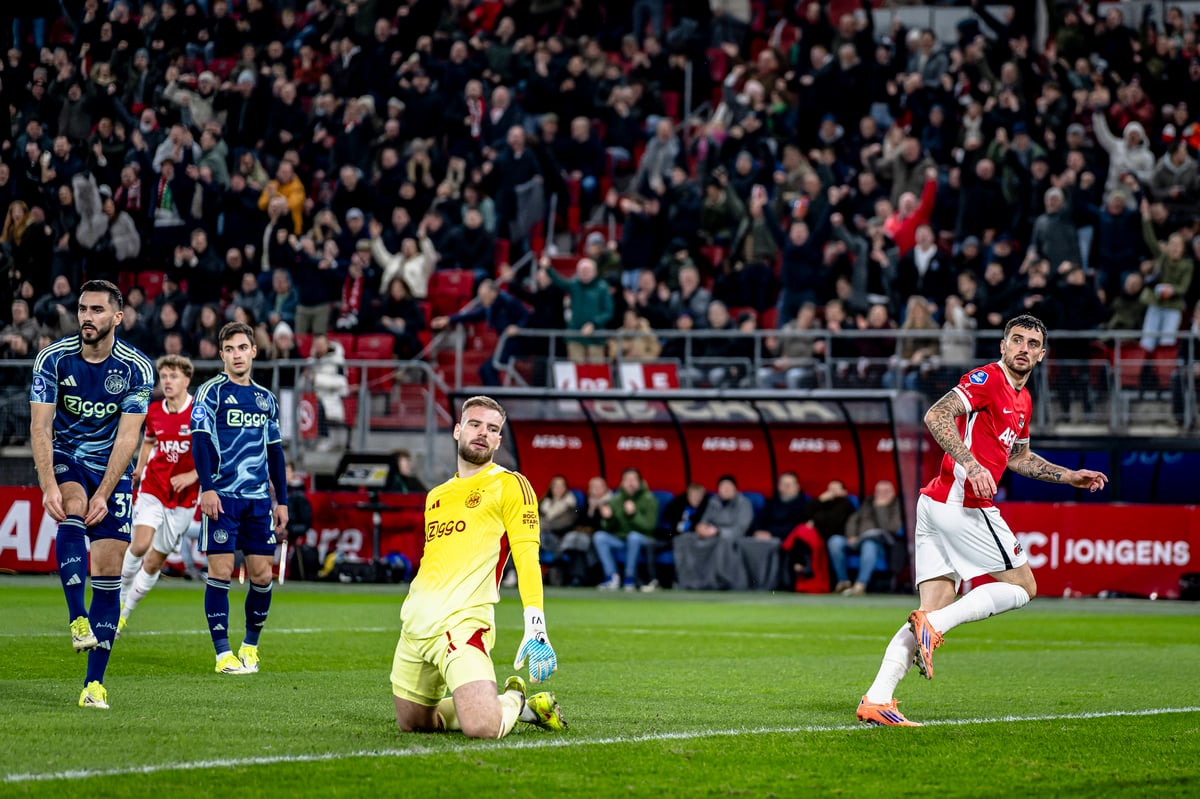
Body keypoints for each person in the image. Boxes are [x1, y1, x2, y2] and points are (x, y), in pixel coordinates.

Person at [856, 315, 1108, 726]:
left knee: (930, 608)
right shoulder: (988, 379)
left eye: (1032, 343)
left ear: (1042, 355)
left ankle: (878, 698)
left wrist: (1067, 476)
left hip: (936, 505)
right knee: (1025, 587)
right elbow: (936, 415)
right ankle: (933, 626)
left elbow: (1019, 458)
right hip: (962, 502)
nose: (1024, 348)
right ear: (1003, 346)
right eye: (1017, 340)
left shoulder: (1023, 401)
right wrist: (971, 464)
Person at [392, 396, 565, 738]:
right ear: (458, 430)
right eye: (474, 424)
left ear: (499, 440)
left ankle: (514, 698)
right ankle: (522, 708)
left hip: (463, 627)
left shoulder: (511, 485)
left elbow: (527, 556)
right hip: (415, 627)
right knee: (414, 724)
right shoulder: (436, 496)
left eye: (493, 429)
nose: (483, 433)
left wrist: (536, 625)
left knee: (483, 728)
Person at [30, 279, 155, 709]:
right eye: (83, 309)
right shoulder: (53, 359)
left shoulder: (137, 368)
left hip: (111, 468)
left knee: (108, 572)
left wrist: (107, 491)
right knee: (74, 508)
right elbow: (40, 426)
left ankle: (93, 686)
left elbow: (128, 439)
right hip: (67, 456)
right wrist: (48, 484)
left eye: (98, 310)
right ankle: (75, 617)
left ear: (117, 317)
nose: (87, 316)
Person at [190, 322, 290, 676]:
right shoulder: (210, 393)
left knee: (262, 575)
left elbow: (275, 452)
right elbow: (200, 442)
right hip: (222, 498)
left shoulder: (266, 399)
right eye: (230, 349)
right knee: (220, 572)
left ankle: (250, 645)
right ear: (222, 355)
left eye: (242, 348)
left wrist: (282, 501)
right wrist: (207, 487)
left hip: (259, 501)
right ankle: (222, 654)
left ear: (253, 351)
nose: (236, 354)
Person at [118, 355, 200, 634]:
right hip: (154, 486)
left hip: (185, 498)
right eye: (164, 376)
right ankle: (116, 604)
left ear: (186, 380)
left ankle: (126, 610)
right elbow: (149, 440)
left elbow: (215, 453)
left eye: (173, 376)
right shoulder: (154, 410)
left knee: (154, 561)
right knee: (140, 545)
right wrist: (140, 469)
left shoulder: (199, 412)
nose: (167, 381)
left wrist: (193, 475)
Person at [673, 475, 753, 591]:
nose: (725, 489)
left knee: (722, 542)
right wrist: (701, 527)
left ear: (735, 488)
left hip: (728, 536)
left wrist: (718, 531)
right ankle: (689, 582)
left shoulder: (744, 503)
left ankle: (719, 581)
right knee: (684, 539)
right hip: (710, 534)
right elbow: (705, 520)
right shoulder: (713, 501)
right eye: (722, 487)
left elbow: (741, 527)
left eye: (728, 487)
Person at [829, 479, 902, 596]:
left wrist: (881, 508)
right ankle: (843, 582)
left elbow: (891, 528)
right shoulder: (868, 502)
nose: (881, 495)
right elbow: (853, 519)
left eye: (886, 491)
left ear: (892, 492)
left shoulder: (897, 505)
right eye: (879, 491)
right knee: (835, 541)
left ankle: (860, 584)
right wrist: (851, 535)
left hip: (880, 544)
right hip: (857, 539)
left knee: (869, 544)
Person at [593, 467, 661, 592]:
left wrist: (633, 515)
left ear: (640, 482)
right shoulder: (616, 499)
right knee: (599, 536)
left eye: (633, 479)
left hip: (643, 539)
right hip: (621, 539)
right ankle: (612, 577)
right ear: (622, 482)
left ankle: (629, 578)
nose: (630, 483)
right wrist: (608, 519)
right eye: (627, 480)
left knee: (633, 537)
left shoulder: (649, 499)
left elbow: (650, 527)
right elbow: (608, 528)